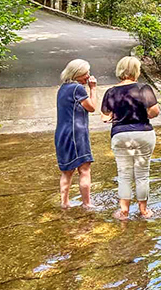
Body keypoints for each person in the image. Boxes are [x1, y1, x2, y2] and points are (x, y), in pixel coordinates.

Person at [101, 56, 159, 220]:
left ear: (120, 70)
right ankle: (144, 211)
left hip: (121, 134)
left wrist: (115, 115)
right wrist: (143, 114)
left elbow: (105, 117)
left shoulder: (111, 92)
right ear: (136, 71)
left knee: (124, 174)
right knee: (142, 174)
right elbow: (155, 111)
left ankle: (124, 212)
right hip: (144, 133)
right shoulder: (144, 88)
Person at [55, 59, 97, 209]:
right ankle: (87, 204)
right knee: (84, 169)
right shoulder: (77, 89)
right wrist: (93, 88)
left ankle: (65, 203)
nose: (88, 76)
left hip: (61, 134)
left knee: (67, 172)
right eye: (86, 73)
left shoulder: (63, 88)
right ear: (77, 74)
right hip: (76, 134)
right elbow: (91, 107)